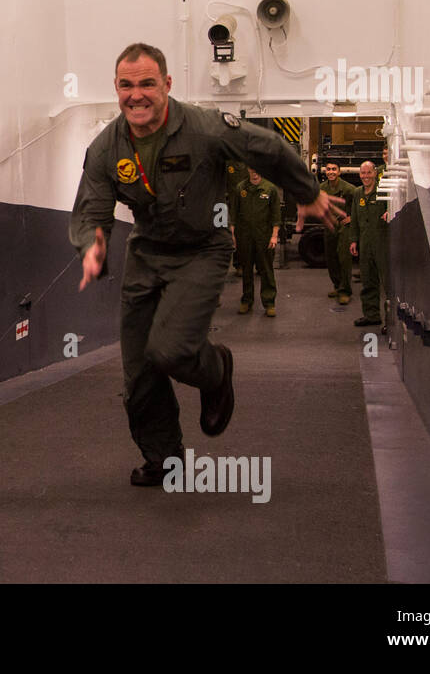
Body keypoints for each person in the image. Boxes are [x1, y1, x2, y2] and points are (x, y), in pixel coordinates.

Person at [70, 43, 344, 487]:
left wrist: (306, 191)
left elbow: (268, 148)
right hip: (146, 252)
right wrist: (93, 244)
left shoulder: (204, 128)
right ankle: (164, 458)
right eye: (126, 85)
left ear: (167, 85)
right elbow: (92, 211)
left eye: (147, 84)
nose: (136, 95)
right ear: (116, 88)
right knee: (139, 371)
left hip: (202, 249)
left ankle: (216, 370)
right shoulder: (106, 149)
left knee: (171, 349)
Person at [229, 168, 282, 316]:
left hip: (264, 236)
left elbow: (276, 214)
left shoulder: (270, 189)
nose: (255, 172)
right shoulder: (240, 188)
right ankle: (246, 300)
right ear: (248, 169)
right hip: (244, 236)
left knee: (266, 269)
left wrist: (274, 235)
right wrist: (232, 233)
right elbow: (233, 212)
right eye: (252, 168)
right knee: (246, 269)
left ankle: (269, 302)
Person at [350, 161, 389, 328]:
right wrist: (353, 240)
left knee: (387, 282)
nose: (365, 176)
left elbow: (395, 208)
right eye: (363, 173)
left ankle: (391, 320)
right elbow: (354, 220)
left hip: (382, 243)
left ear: (375, 173)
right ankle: (371, 315)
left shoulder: (384, 191)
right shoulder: (358, 193)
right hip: (365, 244)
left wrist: (391, 210)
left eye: (368, 173)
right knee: (368, 281)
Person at [319, 161, 358, 304]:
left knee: (343, 258)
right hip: (329, 226)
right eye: (328, 169)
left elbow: (359, 203)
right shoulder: (322, 188)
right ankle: (337, 285)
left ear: (339, 172)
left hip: (344, 227)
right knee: (330, 258)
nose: (331, 172)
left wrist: (352, 218)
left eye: (334, 169)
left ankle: (345, 291)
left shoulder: (348, 189)